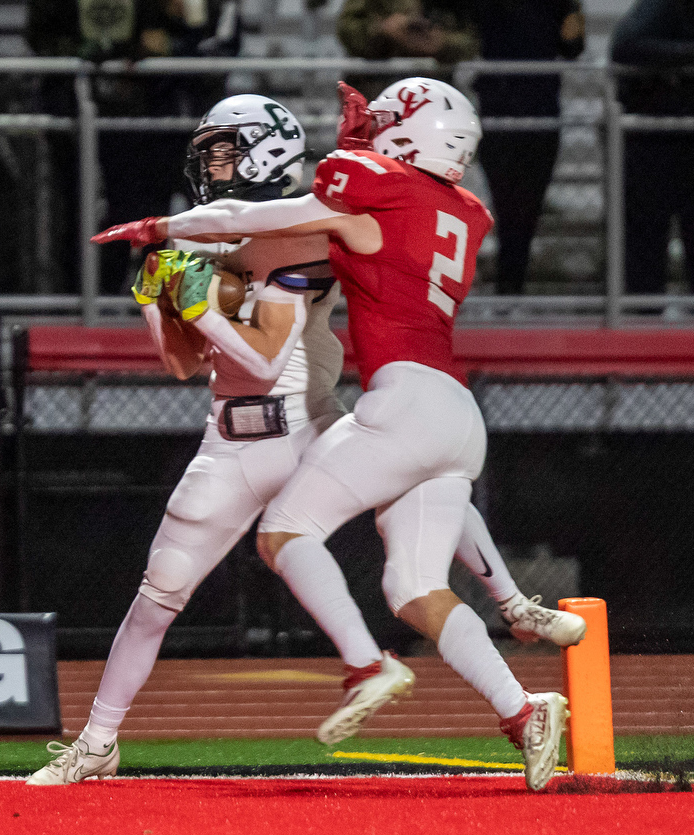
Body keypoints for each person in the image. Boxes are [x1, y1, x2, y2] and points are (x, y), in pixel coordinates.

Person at [91, 78, 583, 792]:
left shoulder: (360, 192)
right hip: (453, 409)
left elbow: (268, 236)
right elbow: (206, 325)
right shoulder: (464, 208)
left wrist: (161, 235)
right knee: (413, 587)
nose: (364, 128)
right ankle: (522, 700)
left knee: (285, 533)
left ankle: (367, 663)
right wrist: (168, 293)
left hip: (396, 397)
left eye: (380, 121)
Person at [28, 94, 416, 786]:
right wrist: (158, 305)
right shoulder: (202, 235)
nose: (211, 163)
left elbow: (268, 359)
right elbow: (183, 363)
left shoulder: (298, 232)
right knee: (157, 596)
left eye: (224, 149)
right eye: (210, 150)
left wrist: (197, 299)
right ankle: (98, 741)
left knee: (423, 527)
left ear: (267, 150)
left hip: (310, 430)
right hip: (231, 441)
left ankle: (511, 672)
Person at [24, 0, 240, 294]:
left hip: (182, 118)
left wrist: (170, 45)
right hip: (105, 116)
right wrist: (120, 50)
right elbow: (48, 37)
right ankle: (94, 296)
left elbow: (216, 51)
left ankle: (186, 293)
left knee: (188, 210)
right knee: (100, 208)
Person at [610, 0, 694, 307]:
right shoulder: (664, 7)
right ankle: (642, 320)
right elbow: (625, 46)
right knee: (648, 235)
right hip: (654, 139)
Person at [471, 1, 585, 297]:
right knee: (505, 201)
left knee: (528, 206)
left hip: (541, 106)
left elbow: (573, 46)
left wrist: (572, 24)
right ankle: (506, 287)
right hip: (498, 104)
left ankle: (512, 288)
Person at [336, 0, 479, 99]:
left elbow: (470, 41)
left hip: (433, 96)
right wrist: (382, 30)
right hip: (376, 92)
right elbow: (347, 31)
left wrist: (443, 43)